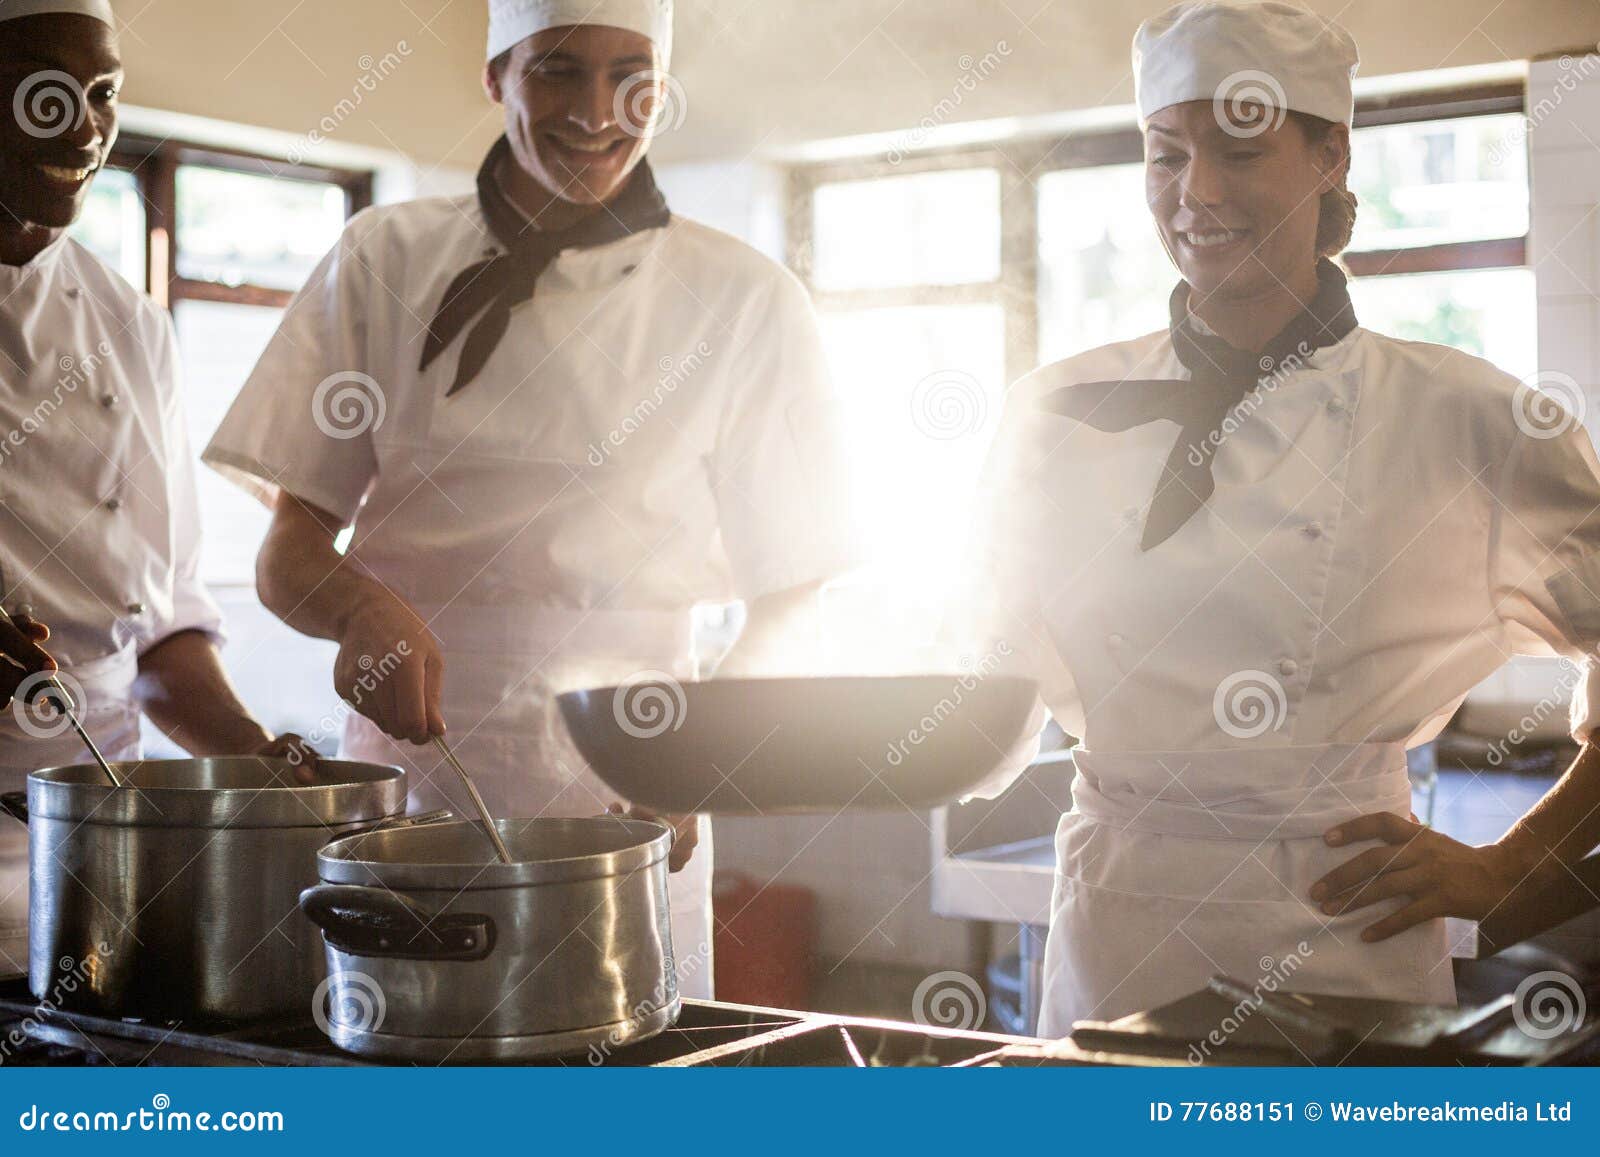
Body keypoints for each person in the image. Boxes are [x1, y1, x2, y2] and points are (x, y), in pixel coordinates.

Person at [202, 0, 858, 1000]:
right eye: (556, 69)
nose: (597, 111)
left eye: (629, 72)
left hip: (634, 790)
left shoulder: (745, 297)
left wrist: (699, 752)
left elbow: (794, 590)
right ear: (494, 75)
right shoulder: (384, 258)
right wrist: (361, 610)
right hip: (411, 793)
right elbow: (287, 554)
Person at [967, 0, 1600, 1035]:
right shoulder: (1053, 408)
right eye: (1165, 155)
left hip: (1341, 927)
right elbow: (984, 690)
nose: (1195, 193)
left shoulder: (1470, 415)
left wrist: (1518, 864)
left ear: (1328, 157)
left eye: (1239, 150)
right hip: (1114, 926)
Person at [0, 0, 308, 977]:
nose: (86, 127)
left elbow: (161, 636)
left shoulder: (131, 328)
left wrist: (261, 764)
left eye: (105, 95)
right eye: (48, 88)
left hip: (89, 874)